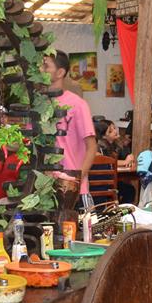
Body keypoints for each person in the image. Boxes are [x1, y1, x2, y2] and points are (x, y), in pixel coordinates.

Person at [44, 51, 97, 196]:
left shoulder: (78, 104)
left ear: (60, 72)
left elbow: (92, 147)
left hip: (73, 189)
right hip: (44, 188)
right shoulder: (38, 104)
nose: (41, 70)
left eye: (46, 66)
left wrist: (77, 180)